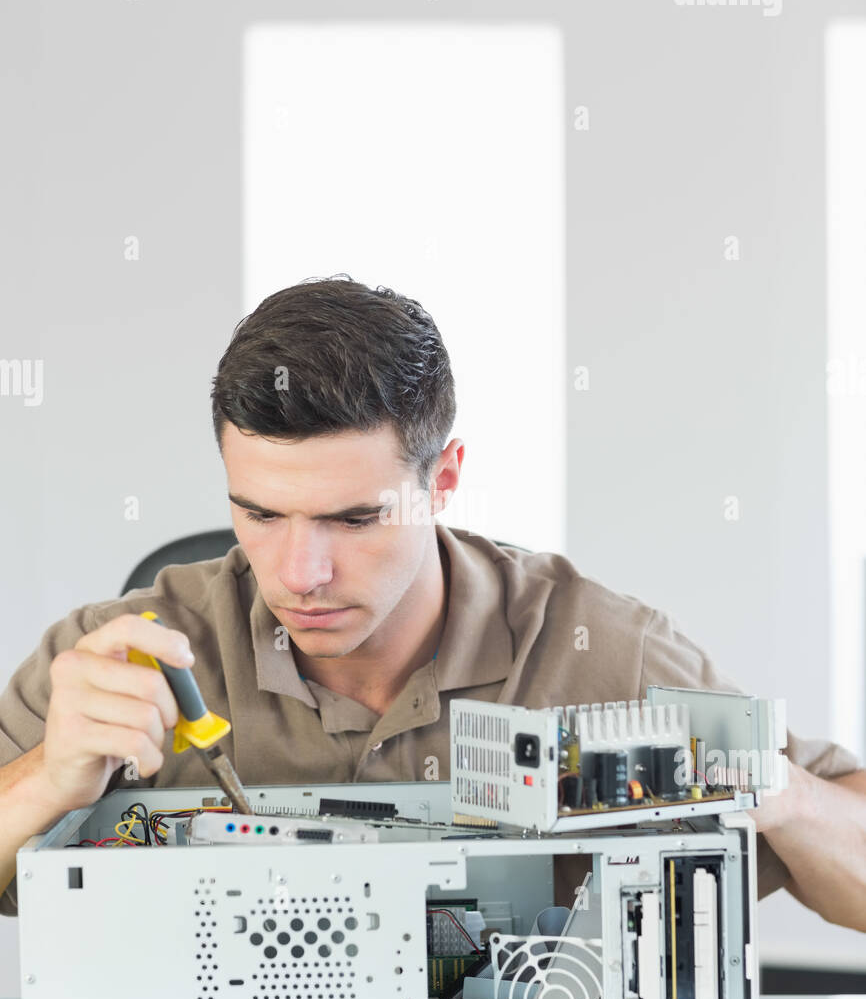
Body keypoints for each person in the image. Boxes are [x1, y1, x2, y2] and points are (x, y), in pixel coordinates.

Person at [0, 276, 863, 930]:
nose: (300, 572)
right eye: (259, 514)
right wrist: (46, 780)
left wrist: (766, 787)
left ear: (442, 480)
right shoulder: (128, 655)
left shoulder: (603, 650)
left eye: (356, 517)